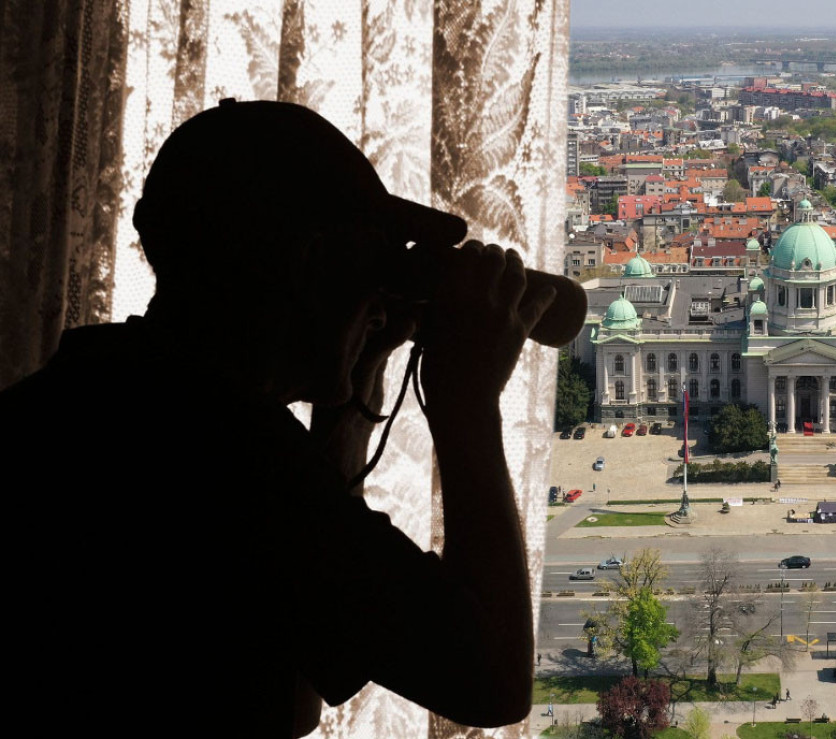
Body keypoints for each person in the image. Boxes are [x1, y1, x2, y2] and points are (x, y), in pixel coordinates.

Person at [1, 100, 570, 736]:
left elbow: (295, 690)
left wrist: (355, 390)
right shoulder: (228, 455)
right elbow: (490, 681)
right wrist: (466, 403)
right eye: (368, 270)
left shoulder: (93, 397)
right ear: (312, 264)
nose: (378, 308)